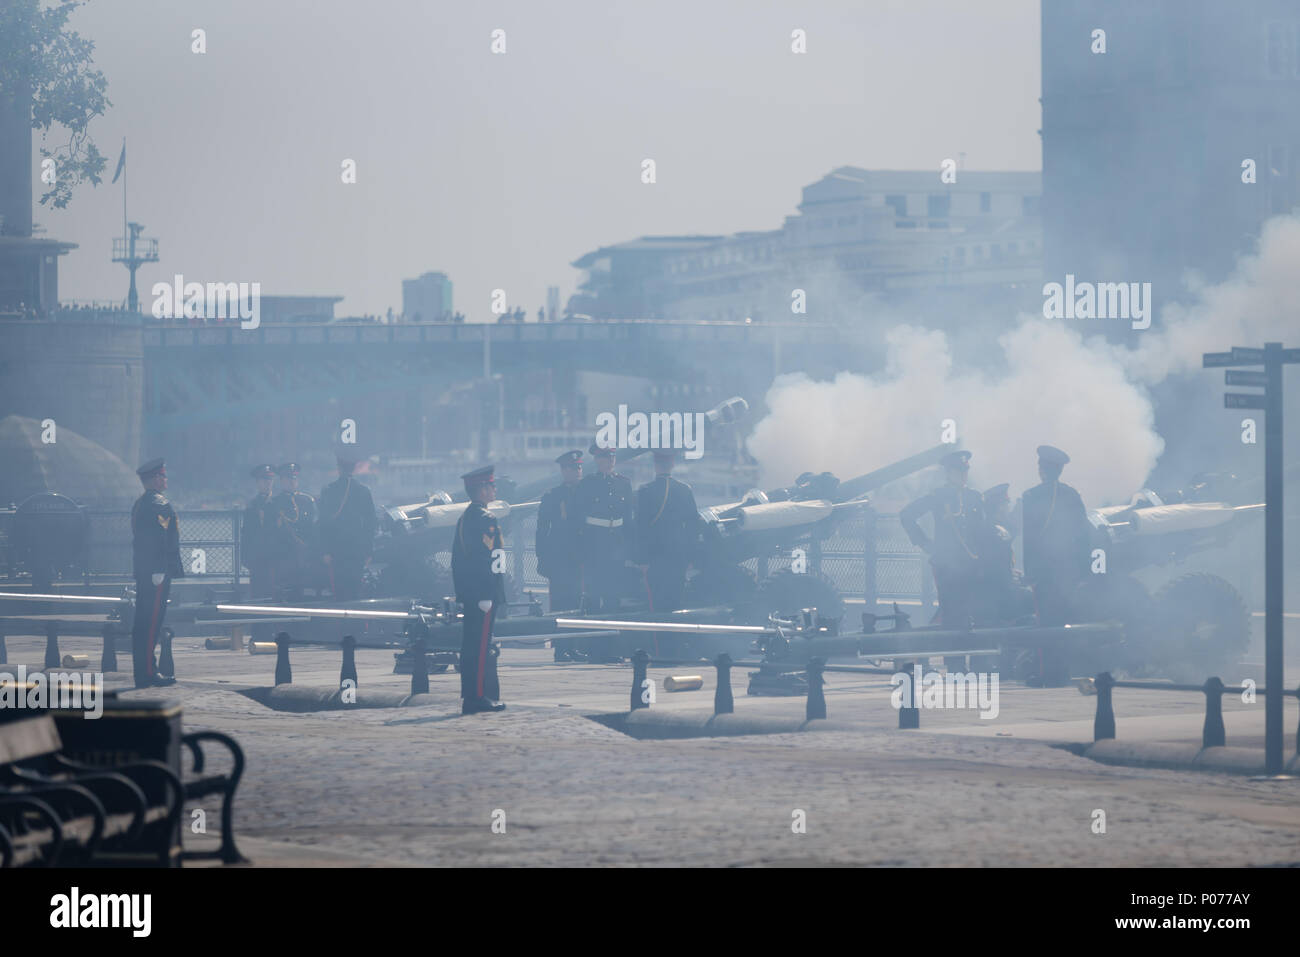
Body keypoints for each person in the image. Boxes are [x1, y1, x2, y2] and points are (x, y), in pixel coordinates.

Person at [899, 449, 984, 630]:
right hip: (948, 566)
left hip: (973, 565)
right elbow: (907, 515)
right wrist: (926, 544)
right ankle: (953, 658)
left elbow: (981, 530)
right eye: (958, 471)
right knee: (952, 617)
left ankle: (980, 658)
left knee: (978, 617)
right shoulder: (938, 496)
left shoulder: (975, 497)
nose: (962, 475)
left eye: (965, 471)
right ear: (948, 473)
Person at [636, 448, 703, 659]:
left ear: (655, 465)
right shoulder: (684, 490)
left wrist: (642, 559)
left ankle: (660, 651)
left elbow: (640, 529)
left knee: (657, 606)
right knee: (675, 604)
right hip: (678, 558)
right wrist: (691, 557)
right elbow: (694, 526)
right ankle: (674, 650)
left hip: (655, 558)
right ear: (672, 464)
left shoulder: (646, 491)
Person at [452, 466, 507, 714]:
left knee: (471, 644)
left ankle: (471, 694)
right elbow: (490, 559)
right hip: (484, 594)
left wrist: (465, 592)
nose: (494, 489)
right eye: (491, 486)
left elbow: (458, 561)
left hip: (471, 593)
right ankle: (478, 697)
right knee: (481, 646)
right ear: (482, 490)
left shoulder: (465, 518)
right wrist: (491, 592)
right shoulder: (486, 519)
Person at [1019, 445, 1090, 627]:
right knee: (1069, 620)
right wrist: (1084, 571)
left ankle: (1049, 655)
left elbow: (1029, 539)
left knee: (1046, 623)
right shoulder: (1072, 495)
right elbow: (1084, 535)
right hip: (1069, 571)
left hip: (1043, 573)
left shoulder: (1031, 496)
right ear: (1059, 470)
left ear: (1041, 470)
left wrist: (1030, 574)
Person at [130, 459, 184, 688]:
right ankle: (148, 673)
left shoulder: (141, 503)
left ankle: (143, 670)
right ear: (154, 479)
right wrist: (160, 568)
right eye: (162, 476)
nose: (165, 479)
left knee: (142, 622)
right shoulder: (159, 503)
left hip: (144, 570)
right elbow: (159, 540)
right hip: (156, 572)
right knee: (151, 622)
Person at [573, 443, 635, 615]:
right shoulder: (588, 484)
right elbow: (579, 518)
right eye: (606, 457)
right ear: (597, 460)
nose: (610, 460)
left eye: (613, 457)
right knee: (593, 592)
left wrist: (629, 551)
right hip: (594, 544)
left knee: (613, 593)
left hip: (616, 544)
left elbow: (628, 520)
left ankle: (612, 633)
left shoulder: (624, 483)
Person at [536, 449, 585, 660]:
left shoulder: (587, 493)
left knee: (577, 604)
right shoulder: (553, 496)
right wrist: (542, 558)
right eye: (573, 468)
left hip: (579, 558)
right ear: (564, 471)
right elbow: (542, 529)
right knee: (560, 604)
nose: (577, 471)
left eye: (579, 467)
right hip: (559, 560)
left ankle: (575, 645)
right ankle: (561, 648)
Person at [318, 448, 377, 602]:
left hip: (336, 552)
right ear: (354, 468)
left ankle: (343, 624)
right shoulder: (364, 491)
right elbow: (371, 524)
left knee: (339, 594)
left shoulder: (329, 491)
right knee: (356, 593)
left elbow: (322, 524)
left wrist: (325, 551)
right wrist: (368, 551)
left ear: (338, 468)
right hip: (357, 552)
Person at [270, 462, 316, 599]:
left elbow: (313, 528)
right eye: (288, 478)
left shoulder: (307, 501)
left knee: (303, 593)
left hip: (304, 555)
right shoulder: (274, 503)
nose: (292, 481)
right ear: (281, 481)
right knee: (283, 594)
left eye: (294, 478)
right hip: (285, 556)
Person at [242, 464, 276, 600]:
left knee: (274, 593)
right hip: (257, 558)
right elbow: (247, 534)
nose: (267, 483)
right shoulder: (252, 505)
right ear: (257, 482)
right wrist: (246, 558)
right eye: (264, 480)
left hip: (275, 557)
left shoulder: (278, 503)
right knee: (257, 593)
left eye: (269, 480)